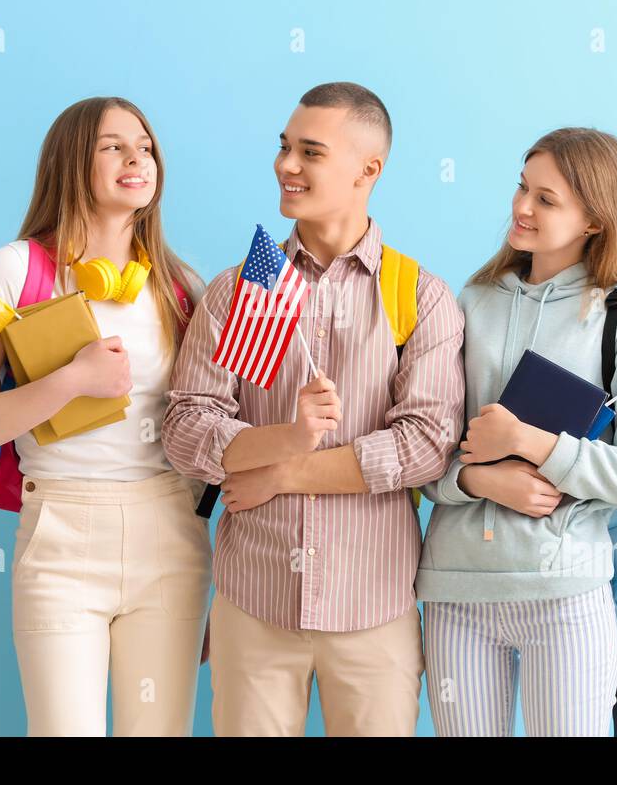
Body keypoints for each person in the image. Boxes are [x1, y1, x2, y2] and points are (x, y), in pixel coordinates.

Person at [162, 81, 466, 736]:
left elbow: (425, 444)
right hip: (255, 601)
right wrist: (285, 439)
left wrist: (287, 472)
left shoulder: (419, 296)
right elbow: (186, 425)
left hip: (374, 609)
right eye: (283, 147)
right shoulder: (246, 286)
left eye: (310, 151)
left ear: (367, 170)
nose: (286, 165)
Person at [0, 97, 210, 736]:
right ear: (70, 161)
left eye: (144, 144)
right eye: (113, 146)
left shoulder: (180, 287)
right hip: (59, 531)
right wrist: (72, 381)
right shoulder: (12, 269)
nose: (137, 157)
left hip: (169, 533)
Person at [417, 127, 617, 736]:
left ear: (594, 219)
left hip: (566, 595)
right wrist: (478, 480)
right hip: (456, 594)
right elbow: (423, 451)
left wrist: (536, 446)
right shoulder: (468, 301)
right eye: (522, 187)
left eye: (547, 199)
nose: (522, 208)